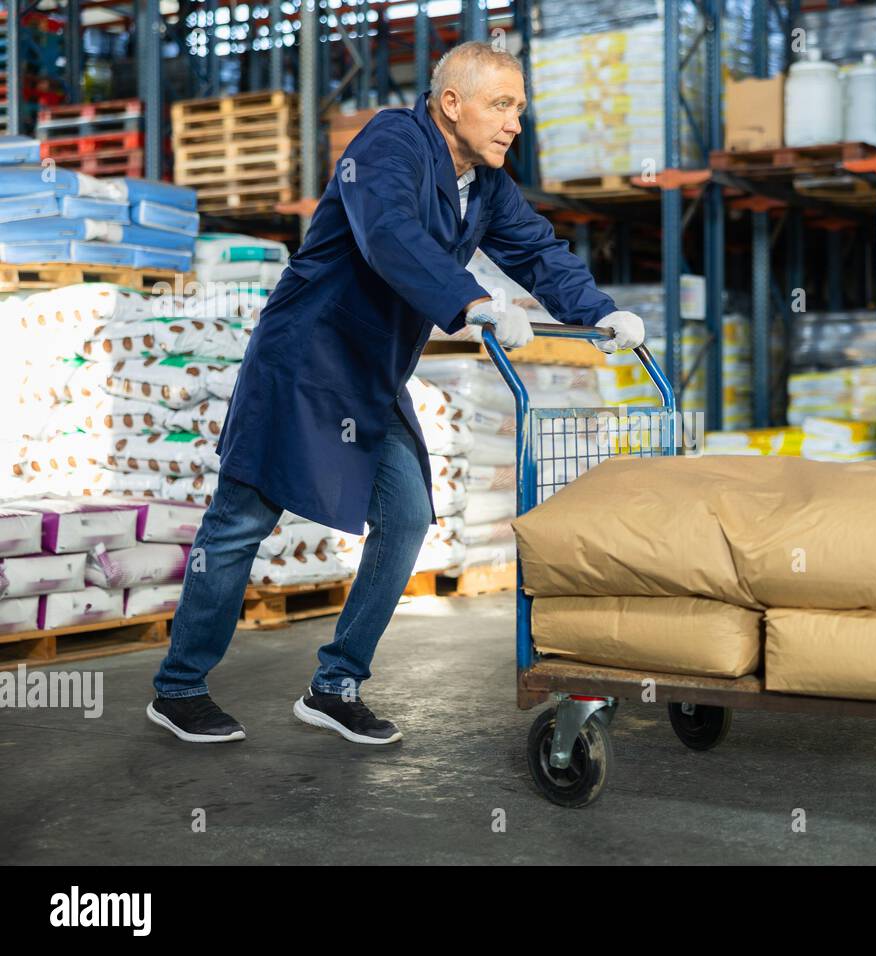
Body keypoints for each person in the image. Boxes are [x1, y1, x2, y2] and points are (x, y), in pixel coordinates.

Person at [146, 43, 645, 744]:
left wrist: (599, 310)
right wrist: (469, 301)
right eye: (501, 106)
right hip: (304, 364)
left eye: (520, 110)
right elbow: (388, 234)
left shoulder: (486, 184)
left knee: (407, 516)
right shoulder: (388, 143)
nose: (514, 124)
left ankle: (336, 684)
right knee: (240, 521)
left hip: (372, 376)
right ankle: (179, 687)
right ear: (450, 104)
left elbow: (537, 252)